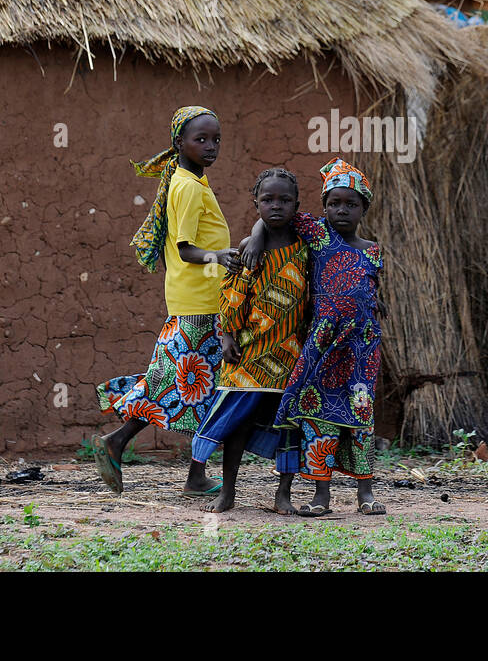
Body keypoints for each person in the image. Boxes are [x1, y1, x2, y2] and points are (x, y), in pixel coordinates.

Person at [92, 106, 240, 496]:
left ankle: (191, 474)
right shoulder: (188, 187)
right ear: (179, 144)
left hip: (200, 298)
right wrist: (221, 256)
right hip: (198, 302)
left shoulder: (192, 179)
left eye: (216, 139)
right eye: (201, 139)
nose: (211, 147)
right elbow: (187, 248)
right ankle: (118, 441)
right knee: (185, 385)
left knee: (198, 387)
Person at [243, 158, 386, 517]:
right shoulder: (319, 235)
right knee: (318, 413)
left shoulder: (373, 250)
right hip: (323, 344)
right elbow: (274, 214)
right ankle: (321, 496)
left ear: (364, 208)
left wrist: (373, 299)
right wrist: (256, 239)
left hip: (360, 347)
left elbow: (366, 282)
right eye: (334, 203)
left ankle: (365, 494)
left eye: (350, 204)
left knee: (360, 416)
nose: (341, 210)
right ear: (323, 207)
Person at [191, 168, 311, 515]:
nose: (276, 207)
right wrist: (227, 333)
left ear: (297, 205)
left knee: (289, 423)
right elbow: (233, 291)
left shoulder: (305, 247)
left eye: (285, 200)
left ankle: (282, 494)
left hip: (290, 351)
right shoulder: (249, 246)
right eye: (267, 200)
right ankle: (228, 492)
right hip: (249, 350)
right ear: (255, 203)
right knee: (237, 423)